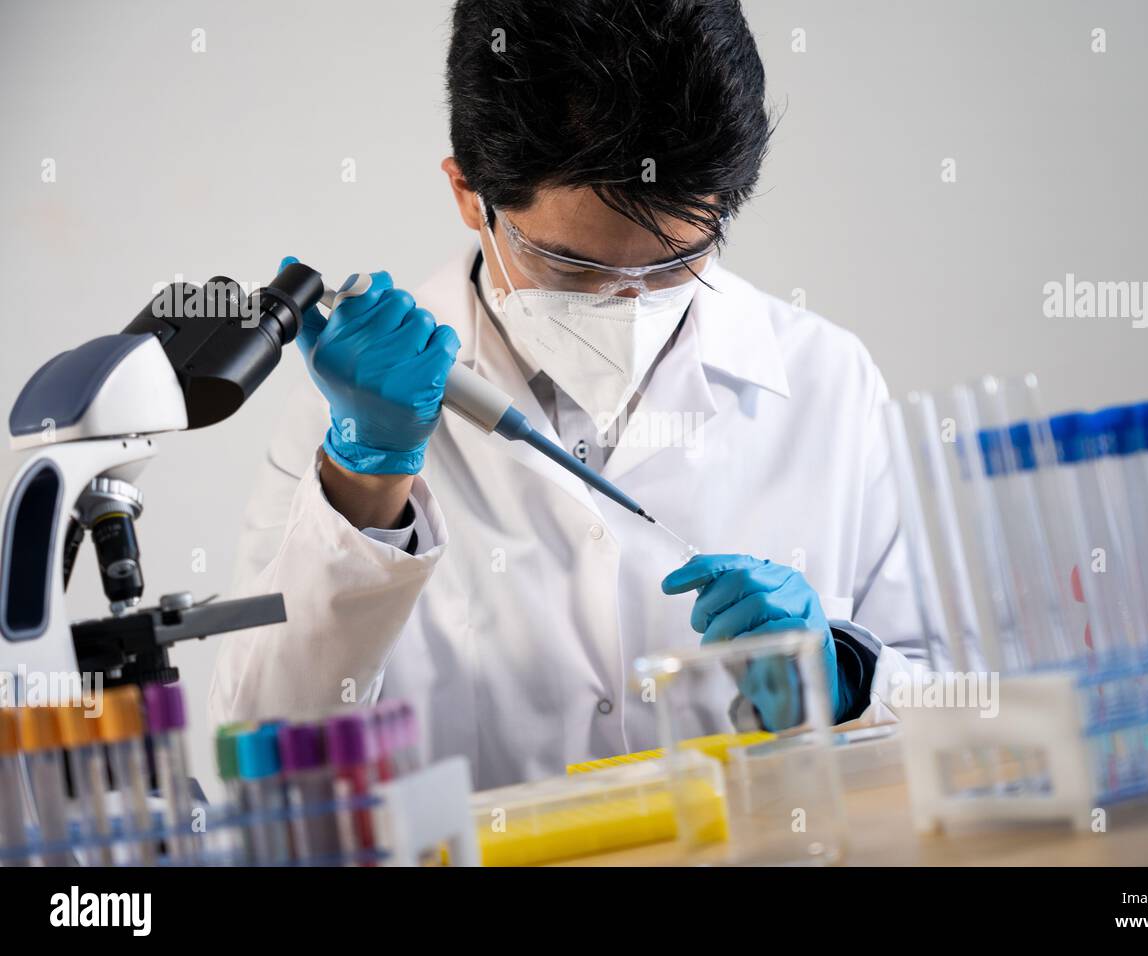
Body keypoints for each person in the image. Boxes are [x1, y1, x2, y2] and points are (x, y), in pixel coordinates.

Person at [210, 0, 921, 789]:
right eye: (577, 269)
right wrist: (366, 477)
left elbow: (962, 709)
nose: (627, 304)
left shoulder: (828, 381)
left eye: (672, 265)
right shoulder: (348, 412)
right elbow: (255, 764)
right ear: (468, 196)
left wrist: (846, 683)